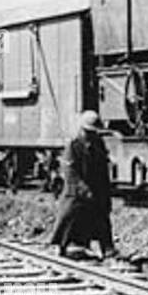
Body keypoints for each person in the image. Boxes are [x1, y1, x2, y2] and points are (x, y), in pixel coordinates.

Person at [50, 111, 116, 259]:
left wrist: (106, 192)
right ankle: (61, 244)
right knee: (69, 213)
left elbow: (103, 169)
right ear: (82, 130)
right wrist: (84, 189)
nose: (92, 135)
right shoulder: (73, 146)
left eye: (94, 132)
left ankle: (107, 248)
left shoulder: (99, 144)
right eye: (89, 132)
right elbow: (70, 172)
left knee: (102, 215)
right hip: (76, 190)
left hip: (96, 188)